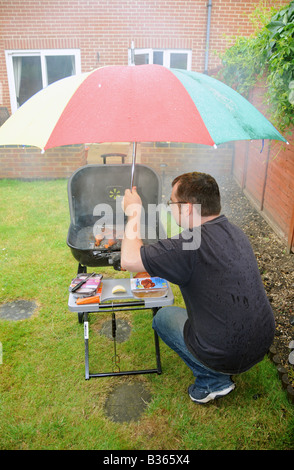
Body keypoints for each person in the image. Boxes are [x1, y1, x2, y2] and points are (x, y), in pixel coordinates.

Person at [121, 172, 275, 404]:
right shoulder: (235, 232)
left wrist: (133, 212)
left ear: (188, 208)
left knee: (164, 317)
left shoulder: (188, 246)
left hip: (229, 354)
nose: (170, 208)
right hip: (262, 342)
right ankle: (225, 361)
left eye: (171, 202)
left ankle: (213, 381)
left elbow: (129, 259)